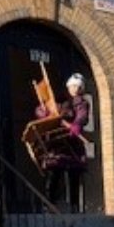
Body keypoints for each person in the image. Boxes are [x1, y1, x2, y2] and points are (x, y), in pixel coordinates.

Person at [37, 72, 91, 211]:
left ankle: (74, 206)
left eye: (78, 87)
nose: (76, 89)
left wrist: (77, 124)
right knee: (54, 172)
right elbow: (42, 110)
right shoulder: (58, 99)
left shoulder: (81, 102)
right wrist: (44, 113)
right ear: (68, 87)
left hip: (72, 142)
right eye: (73, 86)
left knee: (74, 174)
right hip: (56, 143)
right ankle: (49, 204)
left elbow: (82, 115)